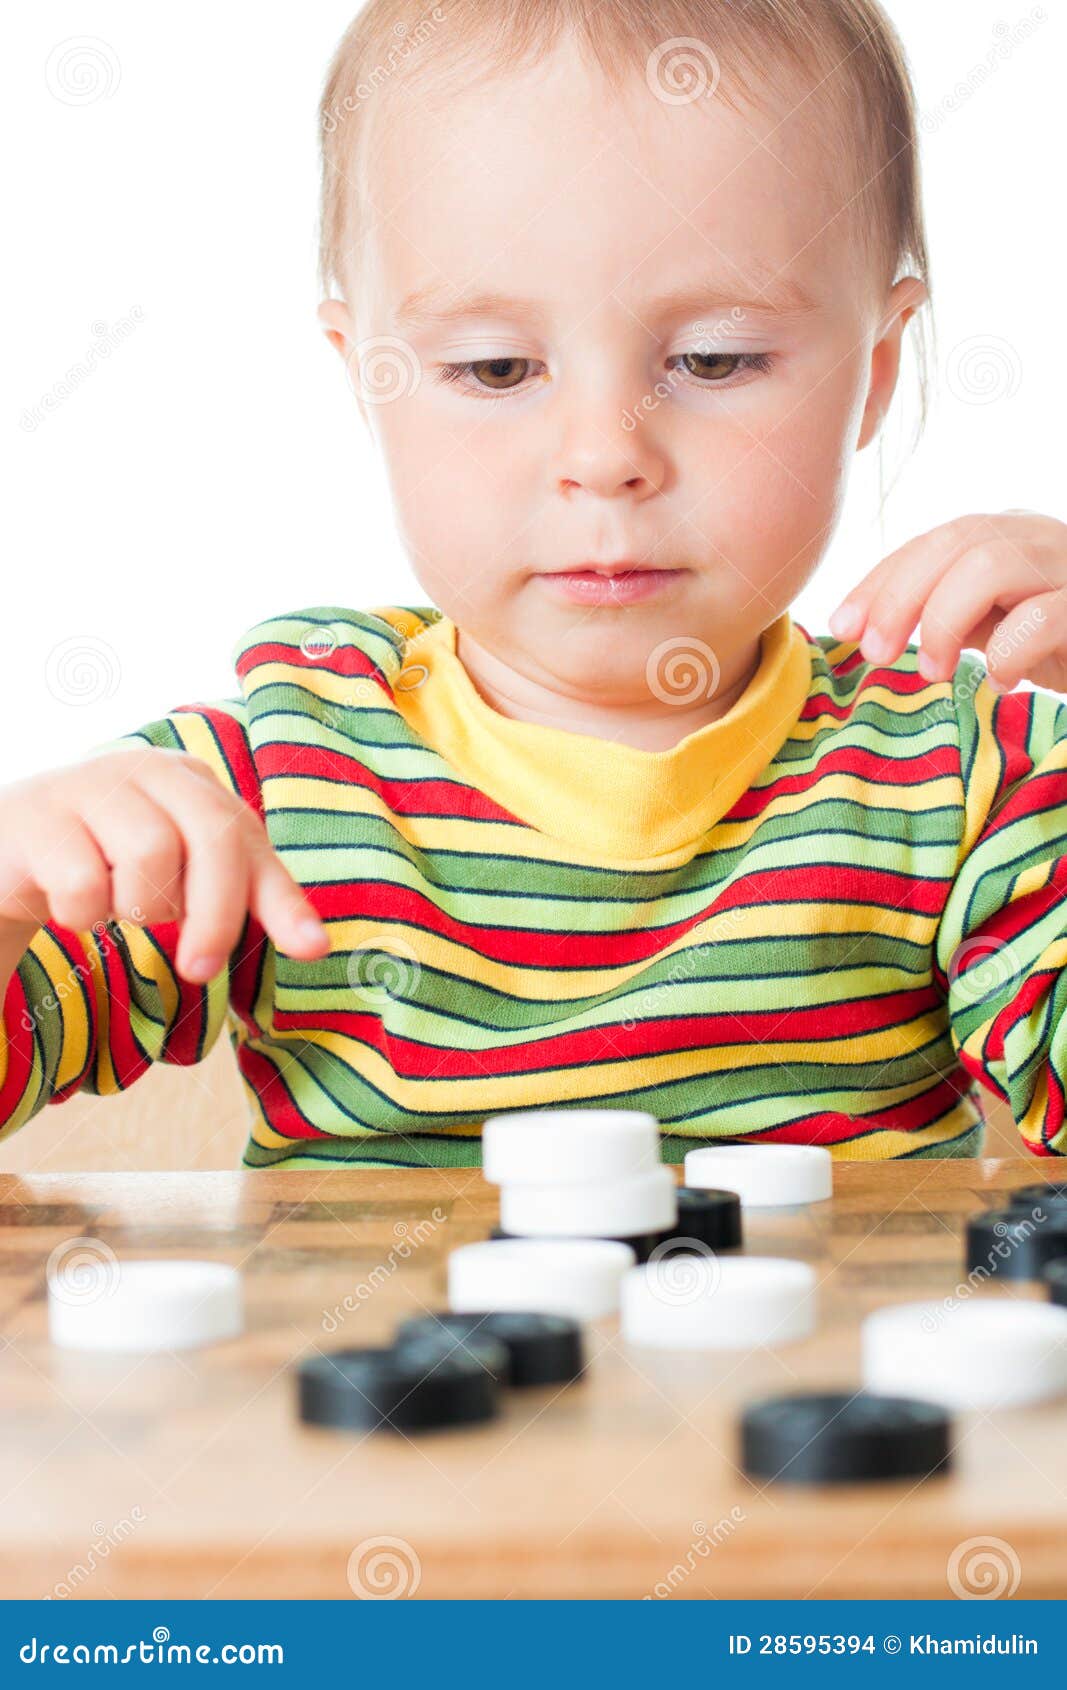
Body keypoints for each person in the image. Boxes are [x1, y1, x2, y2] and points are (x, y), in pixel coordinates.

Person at [3, 0, 1066, 1168]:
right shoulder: (262, 788)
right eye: (496, 367)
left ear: (873, 370)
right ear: (368, 379)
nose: (604, 454)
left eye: (712, 358)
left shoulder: (962, 779)